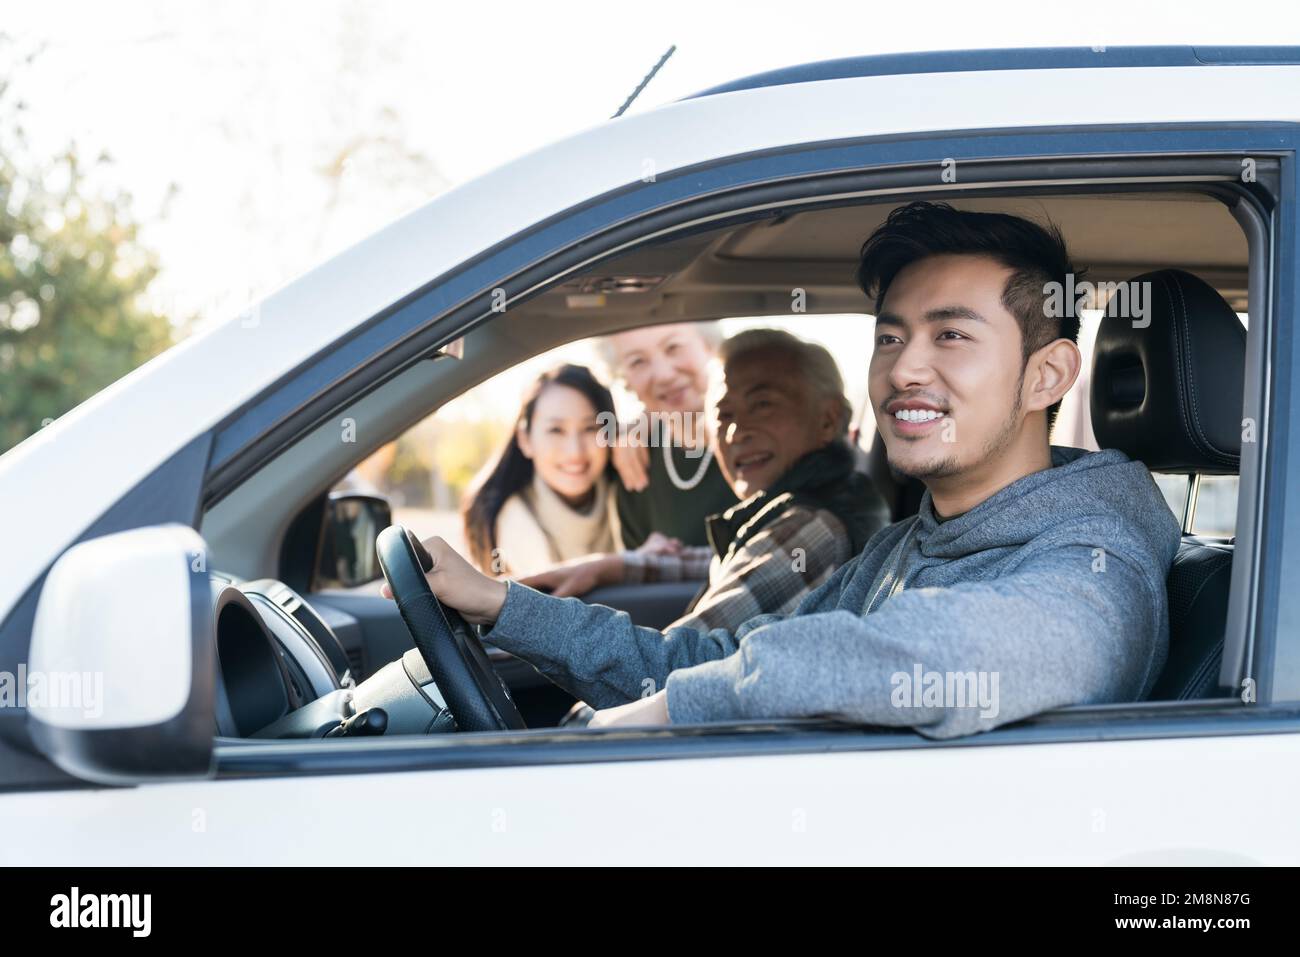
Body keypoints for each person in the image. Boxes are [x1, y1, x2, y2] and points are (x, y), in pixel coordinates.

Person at [393, 201, 1182, 740]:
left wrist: (666, 713)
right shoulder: (905, 546)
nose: (906, 368)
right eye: (890, 337)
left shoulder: (1095, 563)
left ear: (1046, 376)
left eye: (951, 337)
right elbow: (705, 663)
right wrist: (500, 601)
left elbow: (949, 655)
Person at [521, 329, 889, 635]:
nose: (736, 431)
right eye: (724, 414)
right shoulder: (792, 506)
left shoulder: (811, 526)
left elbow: (672, 662)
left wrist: (513, 613)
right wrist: (614, 566)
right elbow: (743, 562)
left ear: (828, 420)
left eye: (762, 405)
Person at [460, 364, 619, 579]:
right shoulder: (512, 524)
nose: (574, 451)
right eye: (556, 430)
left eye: (590, 428)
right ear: (525, 440)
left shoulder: (629, 491)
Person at [598, 322, 738, 549]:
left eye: (673, 347)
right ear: (625, 378)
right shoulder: (636, 463)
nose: (663, 375)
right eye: (637, 361)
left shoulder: (758, 439)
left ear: (708, 345)